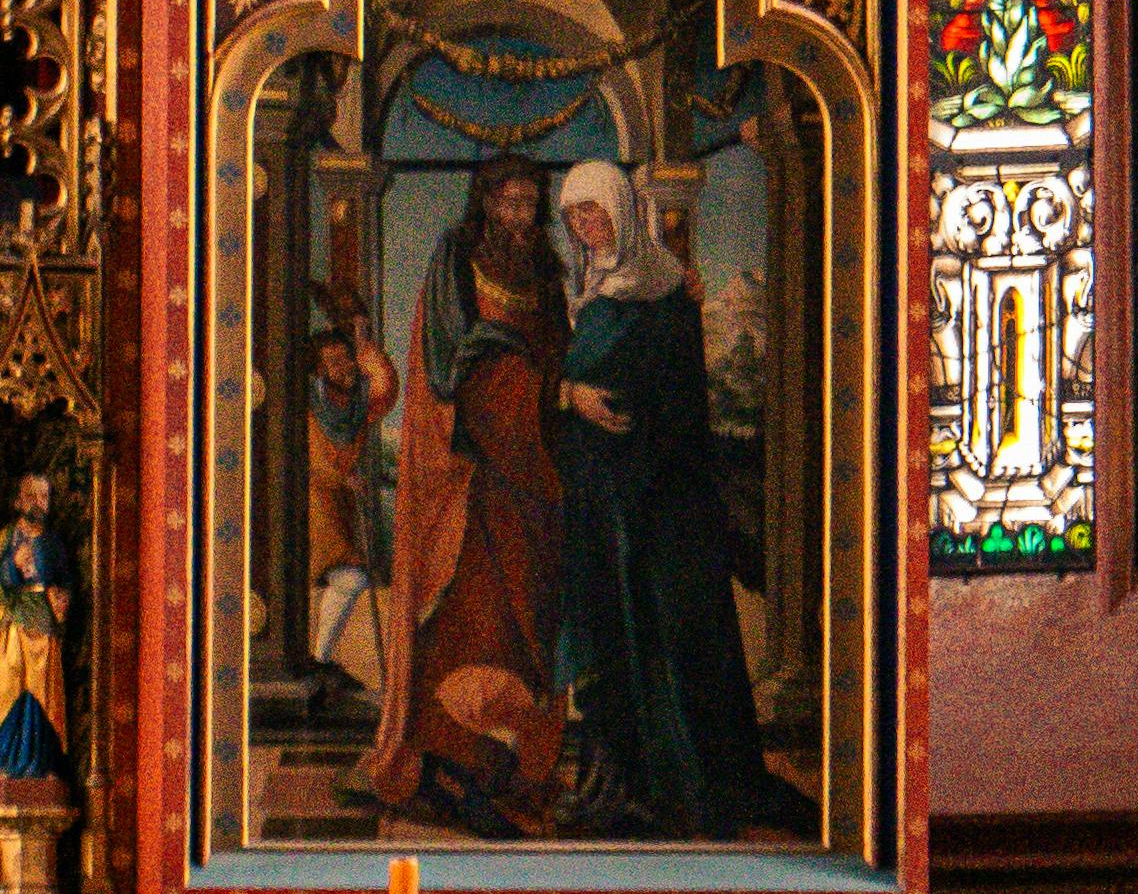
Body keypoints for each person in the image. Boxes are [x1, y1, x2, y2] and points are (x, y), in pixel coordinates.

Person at [552, 164, 799, 841]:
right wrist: (568, 397)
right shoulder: (593, 289)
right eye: (574, 216)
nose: (585, 227)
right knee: (613, 641)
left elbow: (674, 399)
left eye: (594, 214)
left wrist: (632, 461)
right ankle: (619, 786)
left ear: (623, 214)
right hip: (604, 503)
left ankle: (678, 788)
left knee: (668, 644)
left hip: (655, 502)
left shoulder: (660, 292)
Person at [367, 156, 567, 826]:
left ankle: (508, 764)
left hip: (534, 469)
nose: (519, 215)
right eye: (507, 202)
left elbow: (558, 349)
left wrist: (552, 402)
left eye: (529, 203)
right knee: (467, 612)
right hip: (477, 468)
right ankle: (445, 759)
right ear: (485, 202)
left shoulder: (547, 267)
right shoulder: (458, 254)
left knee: (526, 622)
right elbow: (459, 361)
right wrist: (529, 394)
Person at [305, 286, 398, 694]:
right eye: (333, 362)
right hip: (313, 501)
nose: (342, 367)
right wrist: (342, 477)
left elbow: (385, 387)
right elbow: (311, 458)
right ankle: (319, 659)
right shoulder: (309, 404)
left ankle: (321, 658)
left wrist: (362, 342)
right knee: (349, 578)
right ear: (319, 369)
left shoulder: (357, 400)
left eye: (345, 359)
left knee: (348, 579)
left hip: (340, 500)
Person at [0, 474, 74, 788]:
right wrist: (12, 567)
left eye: (44, 496)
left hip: (43, 626)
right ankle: (6, 762)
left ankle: (41, 766)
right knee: (9, 693)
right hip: (12, 626)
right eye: (32, 496)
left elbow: (66, 584)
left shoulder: (53, 543)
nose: (38, 503)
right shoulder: (6, 538)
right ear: (18, 500)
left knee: (41, 698)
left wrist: (61, 599)